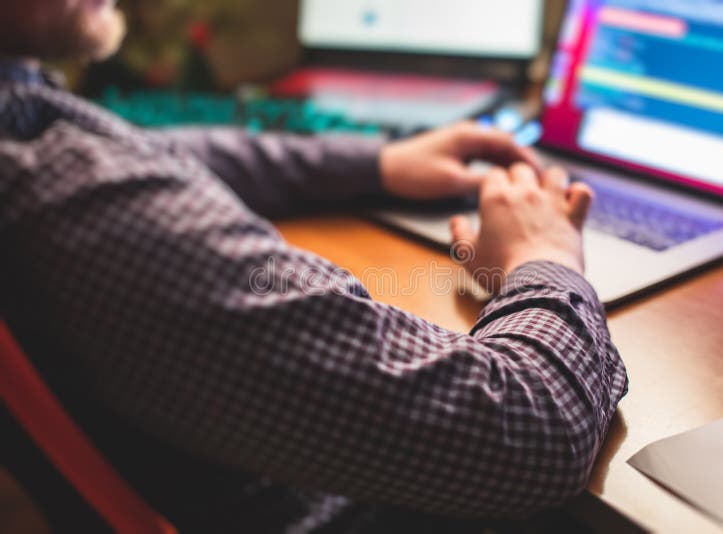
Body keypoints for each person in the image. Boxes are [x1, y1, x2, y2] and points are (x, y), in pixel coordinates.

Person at [0, 1, 628, 532]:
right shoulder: (63, 193)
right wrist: (544, 255)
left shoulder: (25, 115)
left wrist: (377, 165)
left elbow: (141, 150)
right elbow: (534, 431)